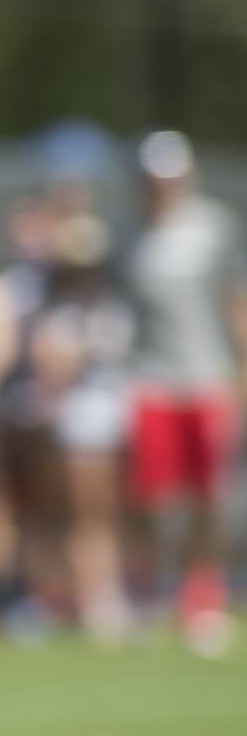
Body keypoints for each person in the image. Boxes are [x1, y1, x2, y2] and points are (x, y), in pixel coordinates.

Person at [123, 129, 247, 655]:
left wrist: (240, 372)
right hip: (152, 381)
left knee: (208, 497)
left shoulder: (213, 228)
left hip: (207, 378)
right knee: (153, 498)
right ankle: (160, 589)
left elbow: (235, 302)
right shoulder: (131, 238)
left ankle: (203, 594)